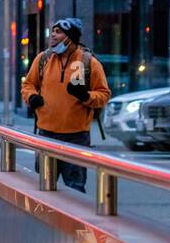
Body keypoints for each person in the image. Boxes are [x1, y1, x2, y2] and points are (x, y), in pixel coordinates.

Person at [20, 17, 111, 193]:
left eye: (58, 32)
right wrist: (31, 97)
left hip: (76, 137)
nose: (53, 35)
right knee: (44, 187)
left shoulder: (88, 63)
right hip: (46, 134)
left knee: (75, 189)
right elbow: (28, 84)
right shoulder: (43, 59)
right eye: (53, 31)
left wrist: (85, 96)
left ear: (70, 37)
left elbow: (103, 94)